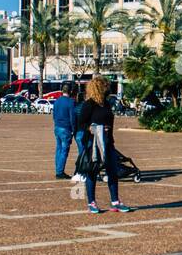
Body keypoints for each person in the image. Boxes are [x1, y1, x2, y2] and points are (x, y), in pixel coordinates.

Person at [77, 76, 132, 214]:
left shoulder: (106, 104)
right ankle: (92, 202)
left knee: (112, 171)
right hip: (93, 143)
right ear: (99, 88)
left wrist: (110, 136)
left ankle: (115, 201)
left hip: (108, 142)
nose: (108, 88)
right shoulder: (89, 104)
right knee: (92, 171)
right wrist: (92, 128)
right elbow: (81, 123)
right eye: (106, 86)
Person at [52, 84, 78, 179]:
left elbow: (54, 115)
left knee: (58, 149)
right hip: (66, 128)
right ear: (70, 91)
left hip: (57, 127)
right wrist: (73, 130)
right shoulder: (70, 102)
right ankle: (59, 171)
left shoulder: (57, 101)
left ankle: (58, 169)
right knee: (64, 150)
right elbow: (72, 118)